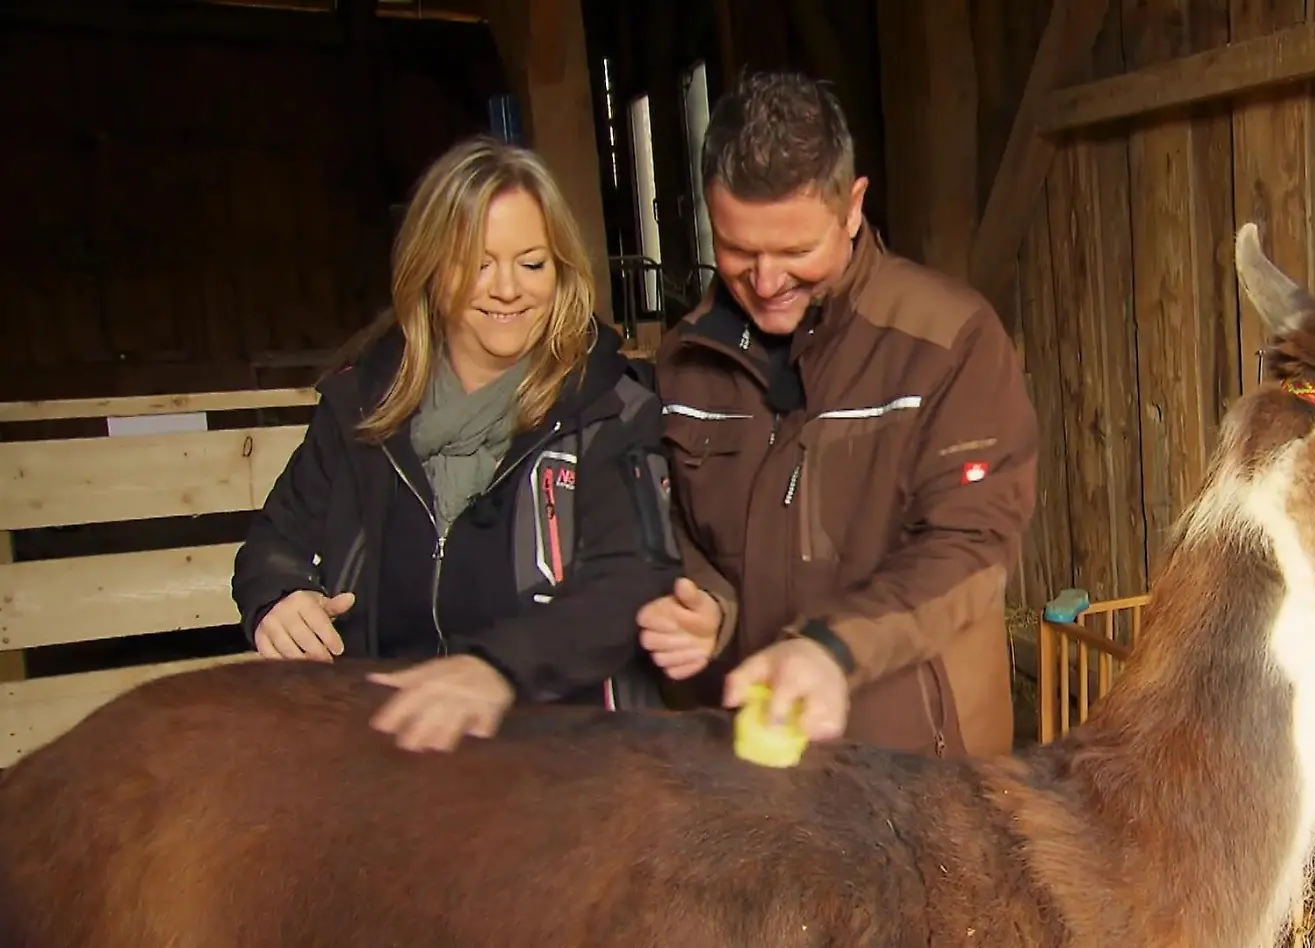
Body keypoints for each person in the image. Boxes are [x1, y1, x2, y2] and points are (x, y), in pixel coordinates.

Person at [232, 135, 682, 753]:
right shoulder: (361, 406)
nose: (508, 289)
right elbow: (274, 542)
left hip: (566, 758)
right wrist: (278, 597)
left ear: (561, 272)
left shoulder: (611, 409)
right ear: (431, 268)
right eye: (478, 263)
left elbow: (632, 583)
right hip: (393, 744)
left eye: (532, 264)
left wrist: (497, 667)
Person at [636, 71, 1039, 759]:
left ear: (852, 208)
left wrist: (833, 649)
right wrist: (707, 605)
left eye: (796, 252)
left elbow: (972, 546)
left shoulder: (948, 341)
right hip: (755, 757)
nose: (767, 282)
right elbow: (689, 534)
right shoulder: (685, 361)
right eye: (738, 251)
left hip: (918, 764)